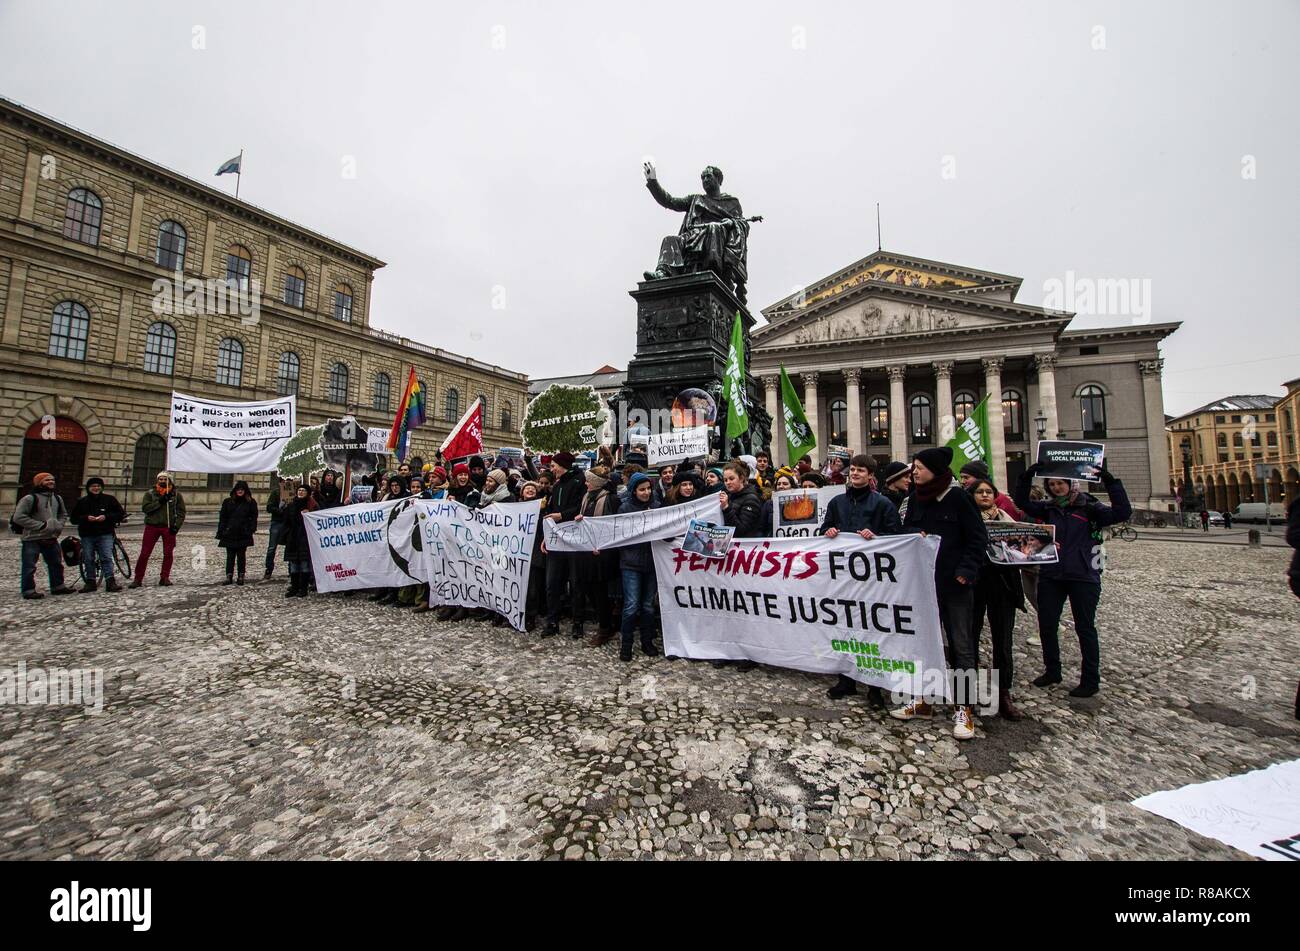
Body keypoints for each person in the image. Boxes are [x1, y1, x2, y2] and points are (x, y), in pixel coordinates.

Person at [889, 446, 988, 741]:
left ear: (934, 470)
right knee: (922, 643)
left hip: (954, 585)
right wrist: (912, 535)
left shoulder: (957, 497)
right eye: (913, 467)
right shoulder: (914, 499)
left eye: (918, 467)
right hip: (923, 585)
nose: (913, 472)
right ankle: (923, 699)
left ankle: (964, 707)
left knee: (961, 645)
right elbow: (906, 532)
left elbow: (977, 538)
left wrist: (965, 572)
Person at [1014, 462, 1131, 698]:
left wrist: (1110, 481)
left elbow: (1122, 512)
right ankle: (1052, 670)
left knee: (1085, 627)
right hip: (1052, 574)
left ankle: (1090, 679)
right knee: (1047, 624)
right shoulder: (1047, 509)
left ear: (1070, 485)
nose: (1057, 488)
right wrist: (1026, 476)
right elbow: (1022, 503)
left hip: (1083, 575)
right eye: (1053, 484)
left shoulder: (1090, 507)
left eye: (1061, 484)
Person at [819, 454, 903, 706]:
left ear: (870, 476)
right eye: (852, 470)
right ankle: (846, 679)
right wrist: (828, 531)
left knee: (871, 631)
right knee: (844, 627)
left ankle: (874, 687)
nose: (854, 474)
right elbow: (823, 529)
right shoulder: (837, 502)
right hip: (843, 577)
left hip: (871, 579)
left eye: (860, 471)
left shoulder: (883, 504)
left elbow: (895, 535)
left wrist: (876, 536)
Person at [967, 477, 1026, 719]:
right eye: (979, 492)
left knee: (1003, 642)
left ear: (995, 495)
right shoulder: (967, 521)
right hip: (973, 585)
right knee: (968, 640)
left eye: (988, 492)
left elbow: (1029, 548)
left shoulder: (1009, 521)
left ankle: (1003, 694)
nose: (984, 495)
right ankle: (966, 695)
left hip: (1003, 587)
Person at [614, 471, 662, 662]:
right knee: (631, 606)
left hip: (651, 563)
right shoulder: (625, 509)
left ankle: (647, 641)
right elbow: (620, 534)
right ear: (634, 491)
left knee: (648, 606)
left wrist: (655, 521)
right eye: (642, 489)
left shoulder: (657, 507)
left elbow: (665, 534)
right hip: (631, 563)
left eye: (648, 489)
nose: (646, 492)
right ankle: (626, 645)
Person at [572, 465, 619, 644]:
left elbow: (613, 527)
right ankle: (606, 622)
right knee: (589, 589)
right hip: (587, 551)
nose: (586, 483)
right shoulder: (586, 497)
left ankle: (605, 627)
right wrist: (580, 518)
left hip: (603, 554)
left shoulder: (611, 500)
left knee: (600, 592)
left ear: (597, 483)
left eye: (589, 481)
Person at [14, 472, 76, 599]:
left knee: (56, 564)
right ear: (39, 482)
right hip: (32, 538)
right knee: (30, 566)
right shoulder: (29, 498)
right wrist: (41, 526)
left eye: (52, 480)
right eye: (47, 480)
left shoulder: (57, 498)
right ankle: (28, 590)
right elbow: (18, 517)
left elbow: (63, 514)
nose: (51, 482)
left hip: (51, 537)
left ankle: (58, 586)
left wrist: (59, 525)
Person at [542, 452, 585, 636]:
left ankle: (578, 623)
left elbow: (580, 508)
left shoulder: (579, 482)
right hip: (556, 541)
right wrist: (546, 535)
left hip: (574, 540)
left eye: (553, 466)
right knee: (552, 584)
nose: (552, 470)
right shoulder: (557, 485)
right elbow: (551, 512)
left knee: (576, 583)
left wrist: (562, 516)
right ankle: (552, 621)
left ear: (562, 465)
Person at [70, 476, 125, 593]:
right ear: (88, 488)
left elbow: (120, 514)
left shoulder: (109, 499)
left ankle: (110, 581)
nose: (96, 488)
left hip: (105, 533)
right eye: (93, 486)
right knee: (88, 558)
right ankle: (90, 582)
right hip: (87, 534)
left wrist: (106, 517)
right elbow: (73, 519)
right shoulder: (82, 502)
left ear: (102, 487)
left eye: (98, 486)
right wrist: (85, 518)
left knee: (106, 557)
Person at [130, 472, 186, 588]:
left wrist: (177, 526)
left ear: (169, 481)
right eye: (160, 479)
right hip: (152, 526)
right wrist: (160, 501)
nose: (162, 481)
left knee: (168, 553)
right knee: (145, 553)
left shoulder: (176, 495)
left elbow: (181, 512)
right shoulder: (150, 493)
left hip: (168, 527)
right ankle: (138, 578)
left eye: (165, 479)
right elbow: (146, 509)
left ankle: (164, 577)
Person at [216, 480, 258, 586]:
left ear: (245, 491)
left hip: (243, 533)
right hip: (230, 532)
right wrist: (222, 530)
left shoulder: (251, 502)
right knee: (230, 556)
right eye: (238, 489)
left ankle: (241, 575)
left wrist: (251, 529)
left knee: (241, 555)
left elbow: (254, 517)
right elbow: (223, 517)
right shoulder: (228, 502)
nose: (240, 491)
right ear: (235, 490)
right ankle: (229, 576)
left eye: (242, 489)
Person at [281, 483, 315, 598]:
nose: (301, 492)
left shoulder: (311, 506)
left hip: (305, 538)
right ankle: (294, 587)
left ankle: (303, 588)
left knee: (305, 565)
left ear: (307, 493)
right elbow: (285, 522)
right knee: (294, 565)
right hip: (293, 539)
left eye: (303, 491)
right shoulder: (291, 506)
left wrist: (309, 514)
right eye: (299, 490)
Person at [759, 469, 798, 534]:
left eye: (785, 484)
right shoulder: (768, 504)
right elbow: (761, 527)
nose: (781, 486)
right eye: (778, 484)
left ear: (792, 487)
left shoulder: (798, 503)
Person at [264, 477, 288, 580]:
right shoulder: (276, 493)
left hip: (288, 523)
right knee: (272, 548)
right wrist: (279, 510)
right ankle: (269, 569)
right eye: (285, 480)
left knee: (290, 547)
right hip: (277, 522)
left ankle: (291, 570)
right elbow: (269, 507)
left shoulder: (294, 492)